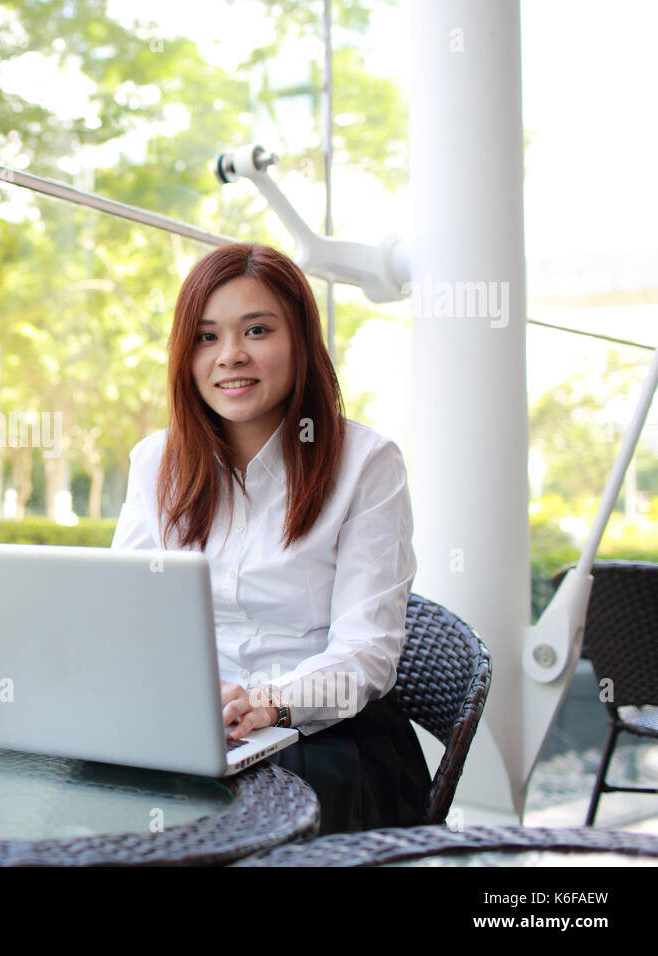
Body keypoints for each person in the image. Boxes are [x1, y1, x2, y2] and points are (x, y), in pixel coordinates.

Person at [111, 242, 432, 835]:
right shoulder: (156, 461)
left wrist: (266, 703)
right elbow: (128, 612)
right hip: (189, 726)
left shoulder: (367, 463)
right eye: (206, 337)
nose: (230, 356)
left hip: (320, 736)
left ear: (300, 342)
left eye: (256, 330)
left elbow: (367, 653)